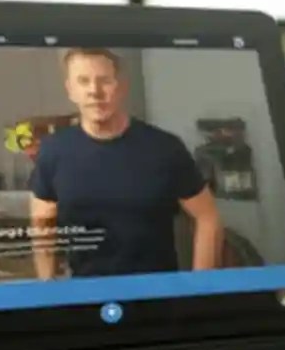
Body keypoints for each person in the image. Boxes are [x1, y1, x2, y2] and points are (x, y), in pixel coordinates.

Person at [29, 48, 223, 278]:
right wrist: (48, 288)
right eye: (83, 81)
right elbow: (42, 225)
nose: (94, 91)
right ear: (71, 90)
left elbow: (208, 217)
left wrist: (201, 287)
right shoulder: (53, 151)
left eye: (104, 81)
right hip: (85, 296)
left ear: (121, 87)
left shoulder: (165, 147)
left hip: (157, 293)